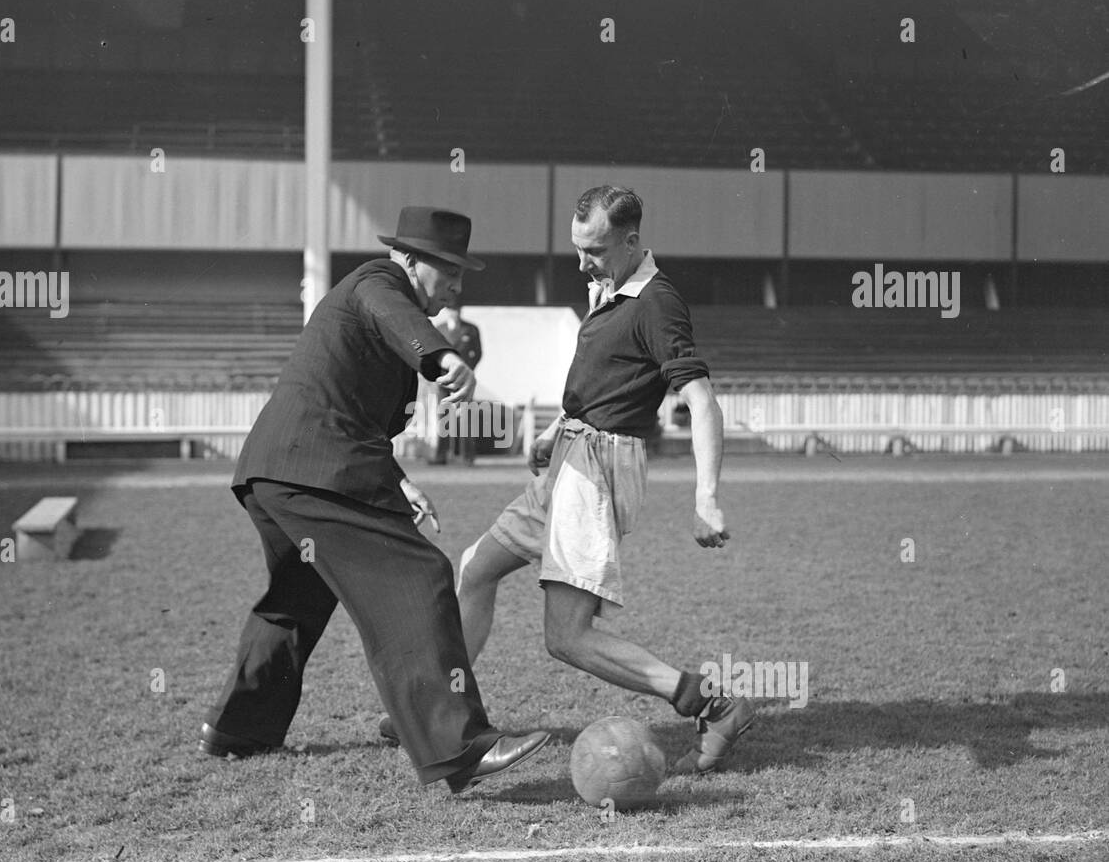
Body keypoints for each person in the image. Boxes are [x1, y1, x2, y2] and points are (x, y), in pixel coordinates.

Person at [380, 186, 755, 775]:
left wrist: (706, 498)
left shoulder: (657, 302)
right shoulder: (608, 286)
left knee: (567, 637)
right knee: (477, 566)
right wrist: (559, 427)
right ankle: (441, 707)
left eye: (596, 251)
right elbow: (609, 380)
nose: (583, 264)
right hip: (570, 458)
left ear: (632, 242)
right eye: (578, 249)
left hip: (599, 473)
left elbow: (702, 401)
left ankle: (712, 703)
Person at [201, 207, 550, 794]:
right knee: (420, 574)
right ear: (410, 260)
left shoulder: (384, 328)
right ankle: (458, 745)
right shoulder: (376, 283)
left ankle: (238, 730)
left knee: (296, 596)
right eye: (450, 270)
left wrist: (403, 483)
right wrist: (443, 357)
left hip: (276, 471)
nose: (459, 285)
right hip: (316, 470)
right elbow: (393, 315)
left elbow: (364, 422)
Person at [428, 303, 483, 465]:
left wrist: (468, 370)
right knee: (443, 416)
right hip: (444, 378)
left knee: (466, 416)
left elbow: (478, 353)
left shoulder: (471, 329)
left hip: (463, 379)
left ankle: (467, 456)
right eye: (452, 310)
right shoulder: (440, 328)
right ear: (447, 311)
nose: (455, 313)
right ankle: (441, 455)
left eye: (457, 310)